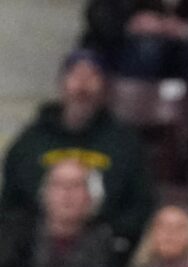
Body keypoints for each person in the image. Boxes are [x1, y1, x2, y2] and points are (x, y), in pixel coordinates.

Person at [0, 49, 155, 243]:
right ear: (61, 83)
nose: (83, 85)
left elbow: (141, 204)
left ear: (105, 87)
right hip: (36, 248)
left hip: (105, 248)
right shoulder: (31, 141)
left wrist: (106, 233)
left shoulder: (124, 142)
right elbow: (10, 203)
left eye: (92, 76)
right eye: (76, 75)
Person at [82, 0, 188, 78]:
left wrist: (187, 29)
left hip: (183, 50)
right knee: (147, 50)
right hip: (129, 49)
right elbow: (99, 15)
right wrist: (132, 25)